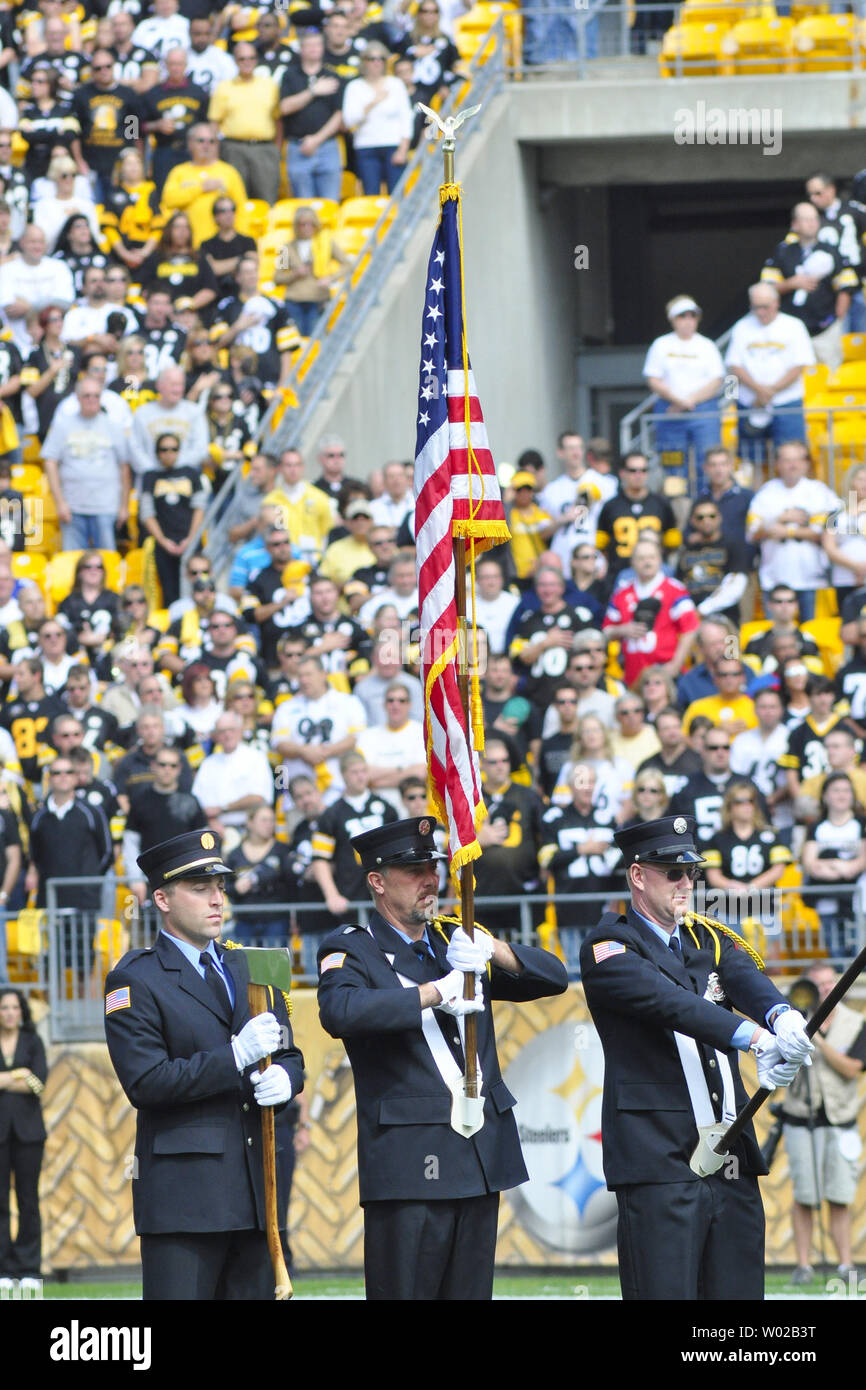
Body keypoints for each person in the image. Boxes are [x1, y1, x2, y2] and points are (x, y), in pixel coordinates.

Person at [316, 815, 568, 1300]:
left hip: (477, 1153)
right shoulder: (354, 949)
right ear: (377, 881)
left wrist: (493, 950)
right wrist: (435, 992)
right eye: (413, 872)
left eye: (432, 867)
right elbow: (340, 1011)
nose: (430, 880)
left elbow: (553, 977)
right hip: (410, 1162)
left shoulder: (456, 939)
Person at [580, 815, 813, 1300]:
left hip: (729, 1153)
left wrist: (782, 1017)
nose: (686, 883)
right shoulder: (609, 945)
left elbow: (746, 977)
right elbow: (669, 1002)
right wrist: (753, 1038)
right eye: (672, 872)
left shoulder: (707, 938)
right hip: (659, 1155)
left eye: (692, 873)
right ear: (638, 876)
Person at [104, 829, 305, 1301]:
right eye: (199, 889)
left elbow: (288, 1050)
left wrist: (287, 1076)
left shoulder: (250, 965)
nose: (217, 899)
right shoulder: (135, 978)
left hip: (258, 1192)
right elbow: (147, 1081)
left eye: (220, 887)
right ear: (162, 898)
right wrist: (234, 1057)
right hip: (186, 1200)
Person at [781, 962, 866, 1285]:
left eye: (832, 983)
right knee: (804, 1194)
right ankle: (803, 1265)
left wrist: (816, 1038)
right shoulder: (793, 1023)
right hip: (801, 1118)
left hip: (841, 1121)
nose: (828, 990)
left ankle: (845, 1264)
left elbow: (851, 1069)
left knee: (840, 1196)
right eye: (820, 985)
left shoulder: (856, 1022)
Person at [643, 293, 723, 493]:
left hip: (702, 408)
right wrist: (677, 400)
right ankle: (677, 504)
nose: (688, 321)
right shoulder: (661, 344)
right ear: (673, 320)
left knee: (708, 459)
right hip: (670, 410)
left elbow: (717, 381)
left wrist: (687, 401)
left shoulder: (707, 345)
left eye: (692, 316)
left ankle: (708, 500)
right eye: (682, 316)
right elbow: (653, 379)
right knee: (673, 461)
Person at [0, 988, 47, 1289]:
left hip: (29, 1135)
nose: (9, 1013)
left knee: (28, 1201)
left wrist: (5, 1079)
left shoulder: (33, 1041)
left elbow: (38, 1083)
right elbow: (27, 1079)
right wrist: (19, 1075)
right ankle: (3, 1270)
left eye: (14, 1008)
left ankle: (28, 1267)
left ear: (22, 1011)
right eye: (4, 1008)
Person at [341, 43, 413, 196]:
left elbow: (406, 118)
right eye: (372, 58)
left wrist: (403, 149)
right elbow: (349, 120)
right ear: (364, 62)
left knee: (397, 195)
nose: (377, 62)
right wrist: (373, 103)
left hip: (393, 145)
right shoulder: (354, 87)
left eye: (381, 59)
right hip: (366, 146)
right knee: (370, 193)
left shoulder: (396, 84)